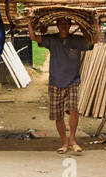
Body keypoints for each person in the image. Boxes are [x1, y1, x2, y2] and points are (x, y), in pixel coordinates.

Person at [28, 16, 90, 154]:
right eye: (60, 22)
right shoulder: (52, 40)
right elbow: (33, 37)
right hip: (55, 82)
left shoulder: (78, 40)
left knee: (73, 110)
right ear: (56, 24)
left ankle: (73, 140)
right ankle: (64, 143)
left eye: (66, 22)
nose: (63, 25)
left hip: (73, 81)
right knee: (58, 115)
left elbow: (95, 40)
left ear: (70, 24)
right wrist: (29, 21)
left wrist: (96, 23)